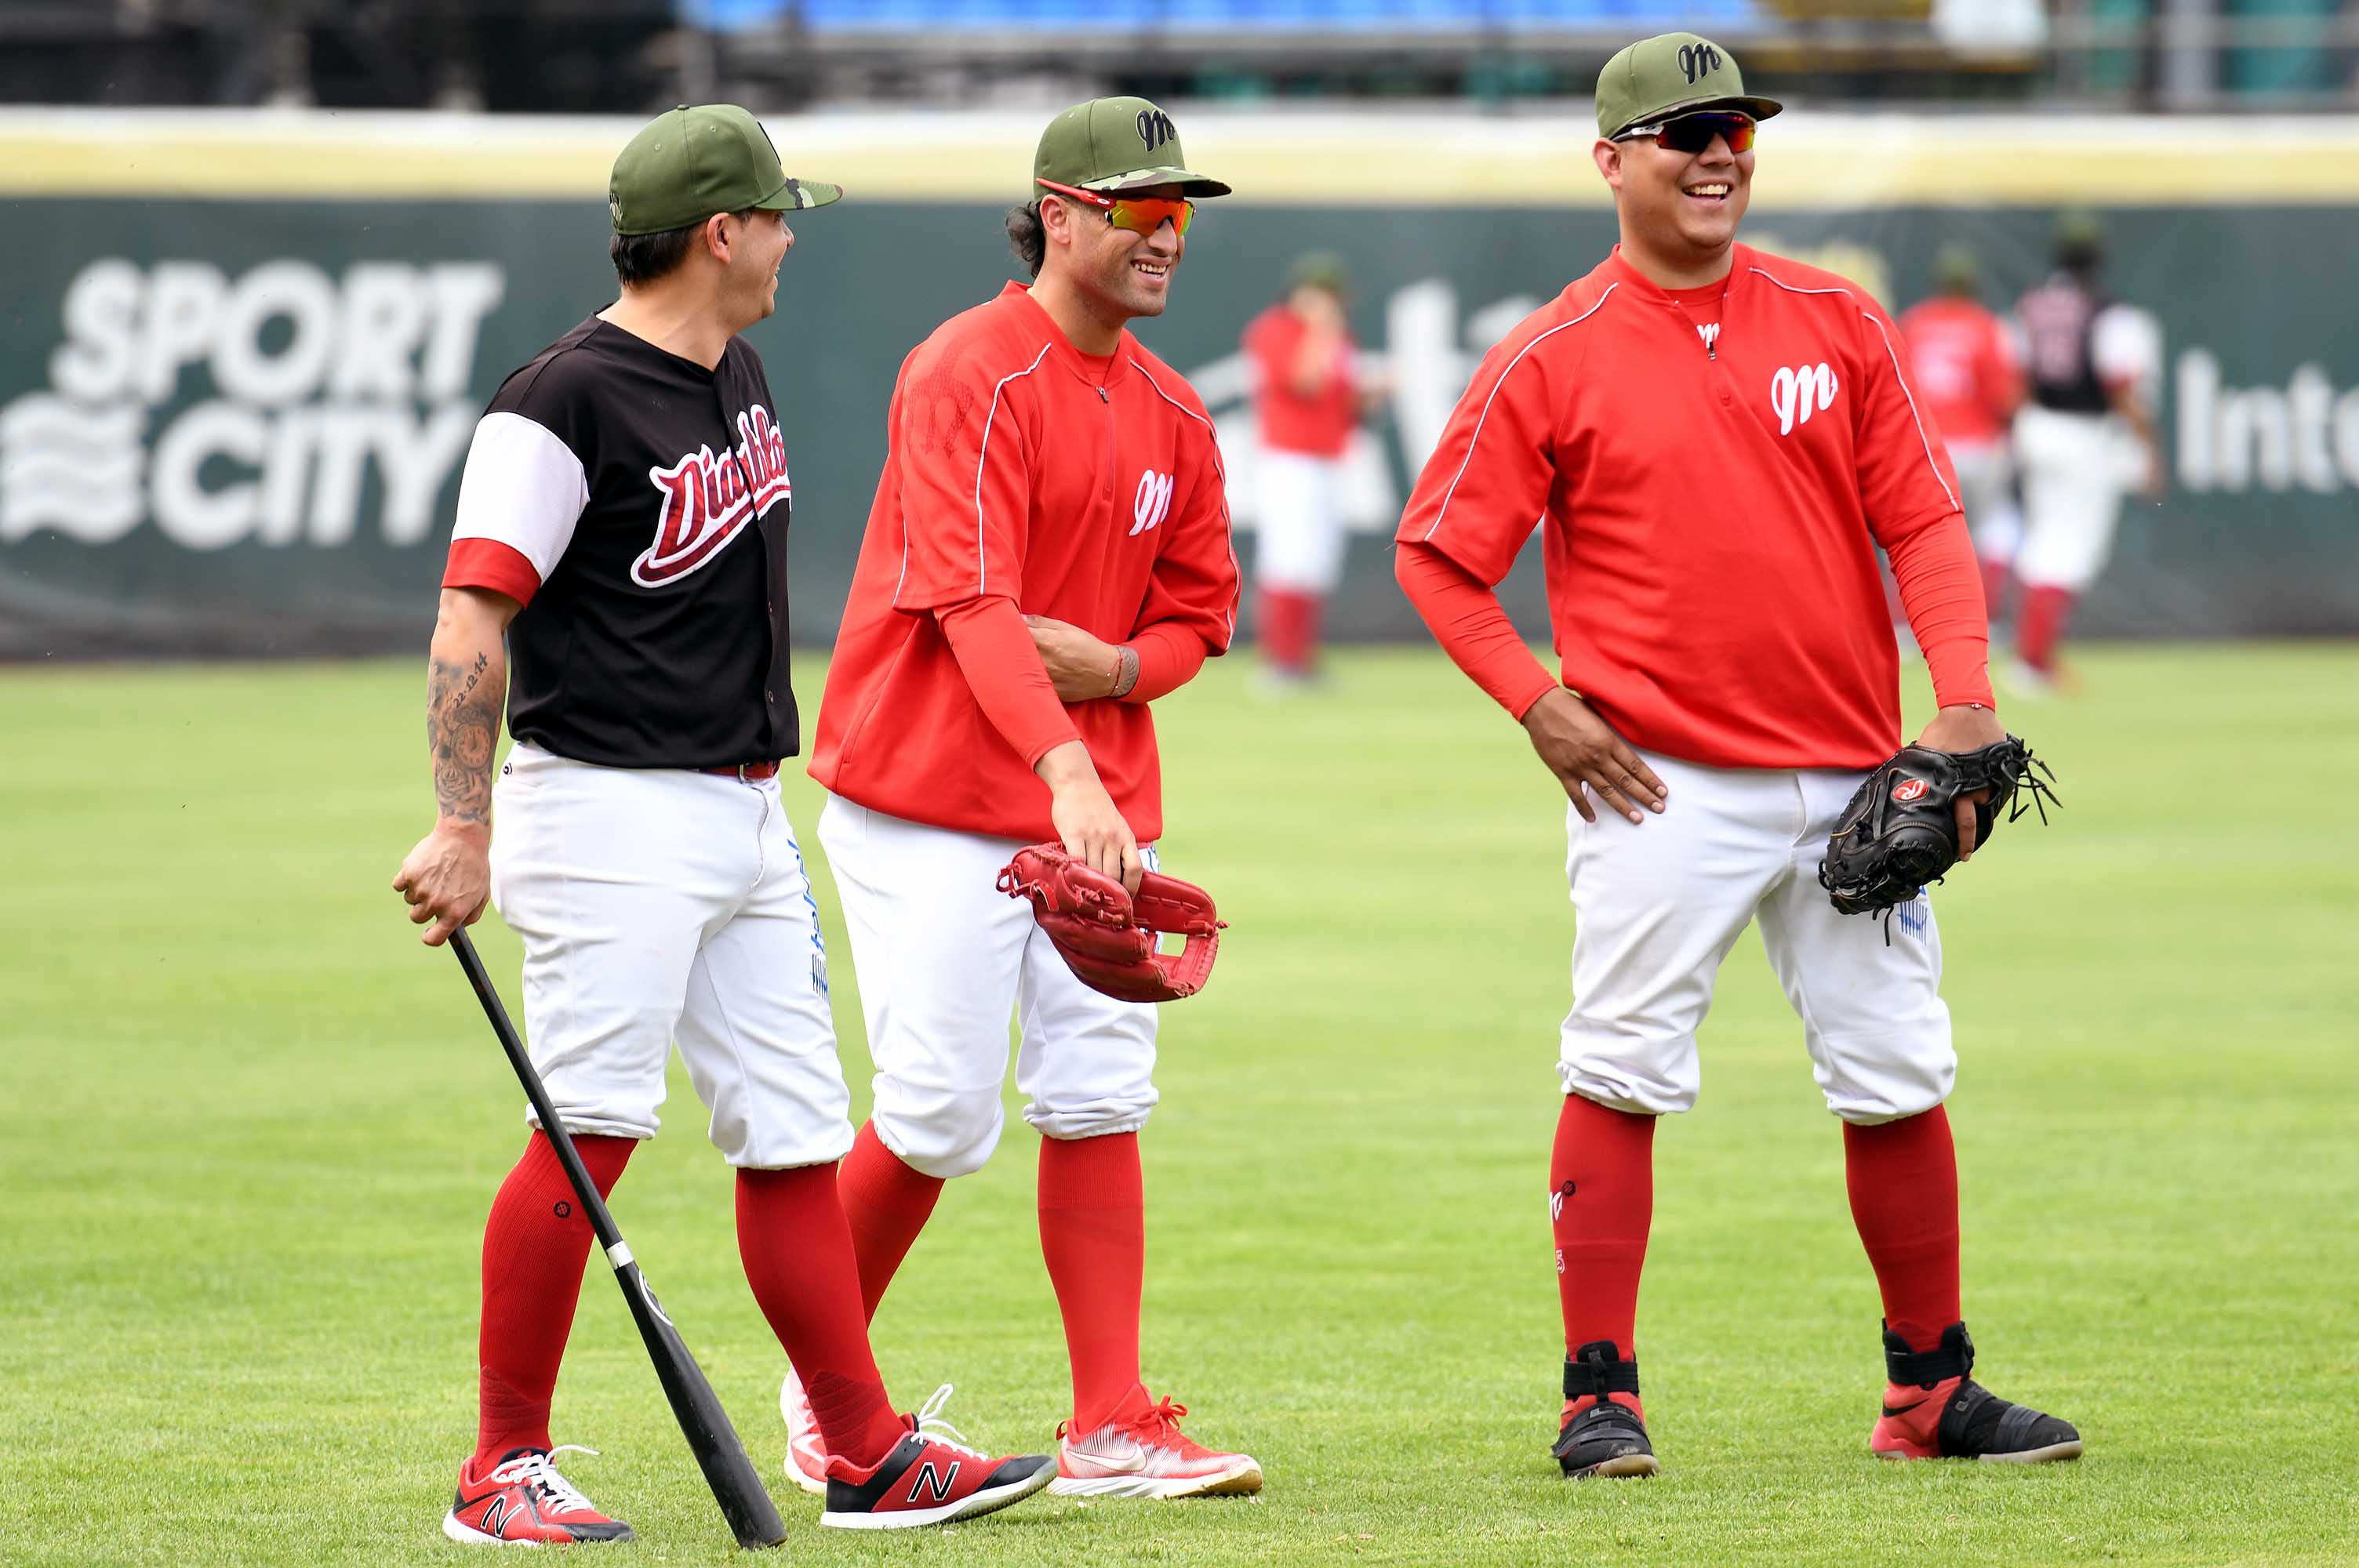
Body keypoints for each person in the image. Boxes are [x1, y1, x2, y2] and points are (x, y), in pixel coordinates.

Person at [1391, 34, 2082, 1479]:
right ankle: (1599, 1394)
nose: (1718, 154)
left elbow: (1926, 523)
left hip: (1847, 777)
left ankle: (1929, 1395)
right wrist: (1535, 701)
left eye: (1738, 131)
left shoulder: (1835, 319)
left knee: (1896, 1067)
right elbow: (1438, 556)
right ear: (1611, 160)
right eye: (1684, 131)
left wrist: (1959, 700)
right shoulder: (1553, 346)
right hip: (1661, 782)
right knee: (1621, 1065)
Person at [390, 103, 1056, 1544]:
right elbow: (471, 613)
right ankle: (501, 1461)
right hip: (608, 810)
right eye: (775, 215)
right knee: (588, 1134)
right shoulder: (557, 399)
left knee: (794, 1133)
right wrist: (461, 823)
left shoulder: (733, 368)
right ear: (718, 233)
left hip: (747, 806)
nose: (788, 238)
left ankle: (865, 1451)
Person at [791, 96, 1259, 1502]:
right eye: (1138, 210)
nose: (1165, 235)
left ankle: (1109, 1421)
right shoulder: (966, 372)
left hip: (1094, 802)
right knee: (935, 1117)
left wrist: (1114, 672)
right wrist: (1065, 761)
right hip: (930, 790)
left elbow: (1199, 620)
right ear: (1058, 212)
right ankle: (832, 1402)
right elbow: (965, 600)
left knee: (1102, 1094)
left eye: (1179, 213)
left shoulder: (1178, 410)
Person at [2008, 211, 2165, 691]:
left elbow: (2017, 378)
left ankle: (2033, 656)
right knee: (2071, 545)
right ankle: (2034, 662)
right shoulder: (2106, 311)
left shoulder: (2031, 305)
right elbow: (2120, 385)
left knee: (2045, 538)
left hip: (2037, 427)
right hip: (2082, 435)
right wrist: (2150, 448)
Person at [1241, 252, 1380, 684]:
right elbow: (1303, 380)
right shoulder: (1276, 330)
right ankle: (1277, 662)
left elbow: (1347, 406)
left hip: (1329, 458)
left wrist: (1376, 392)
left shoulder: (1339, 338)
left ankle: (1301, 658)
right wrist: (1323, 330)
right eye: (1324, 294)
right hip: (1289, 460)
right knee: (1288, 559)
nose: (1332, 304)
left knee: (1316, 562)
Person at [1899, 245, 2025, 619]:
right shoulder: (1986, 326)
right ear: (1972, 285)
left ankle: (1905, 624)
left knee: (1915, 535)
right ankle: (1981, 619)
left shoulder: (1913, 323)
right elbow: (2005, 399)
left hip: (1927, 445)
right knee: (1997, 526)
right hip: (1978, 446)